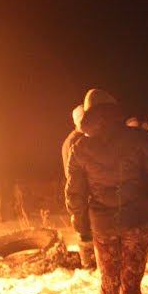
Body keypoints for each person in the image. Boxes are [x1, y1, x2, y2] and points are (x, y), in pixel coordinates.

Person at [66, 88, 148, 294]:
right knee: (131, 278)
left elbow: (75, 194)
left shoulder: (80, 147)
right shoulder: (138, 138)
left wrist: (82, 228)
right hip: (137, 220)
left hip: (102, 223)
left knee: (109, 277)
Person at [61, 104, 95, 269]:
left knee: (87, 229)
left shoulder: (75, 139)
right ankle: (88, 264)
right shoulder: (76, 140)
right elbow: (74, 175)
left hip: (83, 193)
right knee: (84, 230)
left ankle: (90, 262)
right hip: (82, 193)